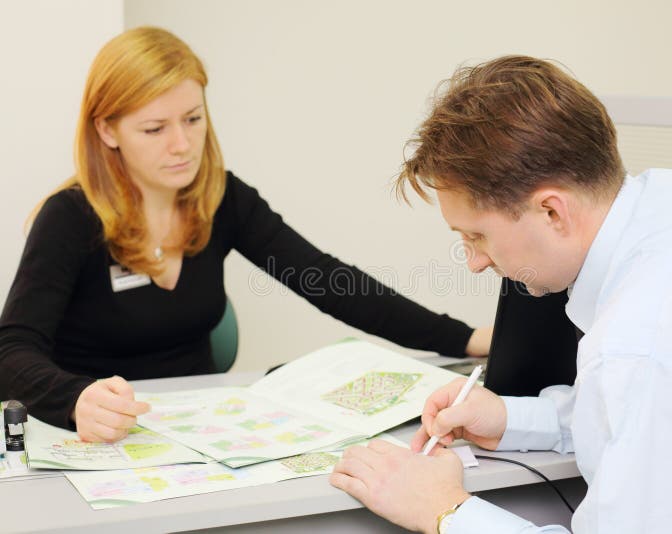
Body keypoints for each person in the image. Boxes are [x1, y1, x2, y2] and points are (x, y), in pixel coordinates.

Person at [329, 55, 672, 533]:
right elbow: (639, 414)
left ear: (552, 212)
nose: (474, 261)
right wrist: (511, 417)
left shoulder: (650, 334)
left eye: (477, 237)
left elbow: (647, 382)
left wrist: (444, 509)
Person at [0, 27, 492, 444]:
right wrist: (74, 400)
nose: (182, 145)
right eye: (154, 129)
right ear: (108, 130)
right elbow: (11, 351)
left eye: (193, 119)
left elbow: (323, 279)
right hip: (98, 438)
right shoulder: (70, 217)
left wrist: (464, 338)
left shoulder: (219, 197)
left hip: (198, 432)